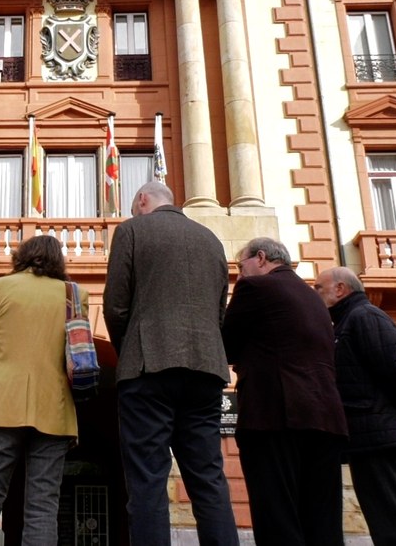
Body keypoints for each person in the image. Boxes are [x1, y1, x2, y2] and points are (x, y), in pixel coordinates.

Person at [102, 181, 238, 545]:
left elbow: (116, 305)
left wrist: (128, 349)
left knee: (147, 480)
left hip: (148, 367)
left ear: (143, 200)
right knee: (209, 478)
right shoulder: (211, 240)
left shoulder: (131, 230)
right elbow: (219, 309)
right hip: (206, 368)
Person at [222, 238, 348, 545]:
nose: (240, 275)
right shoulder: (315, 299)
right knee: (323, 522)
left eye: (242, 266)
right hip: (326, 420)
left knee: (277, 518)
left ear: (261, 258)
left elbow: (226, 344)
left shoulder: (255, 288)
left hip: (275, 418)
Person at [0, 235, 81, 546]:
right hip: (54, 409)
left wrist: (2, 384)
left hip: (2, 405)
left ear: (22, 256)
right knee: (43, 506)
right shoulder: (71, 294)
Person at [314, 266, 396, 546]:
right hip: (367, 437)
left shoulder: (364, 317)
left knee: (391, 524)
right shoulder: (349, 321)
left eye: (319, 289)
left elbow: (393, 373)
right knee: (384, 522)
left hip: (376, 439)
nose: (316, 294)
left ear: (340, 289)